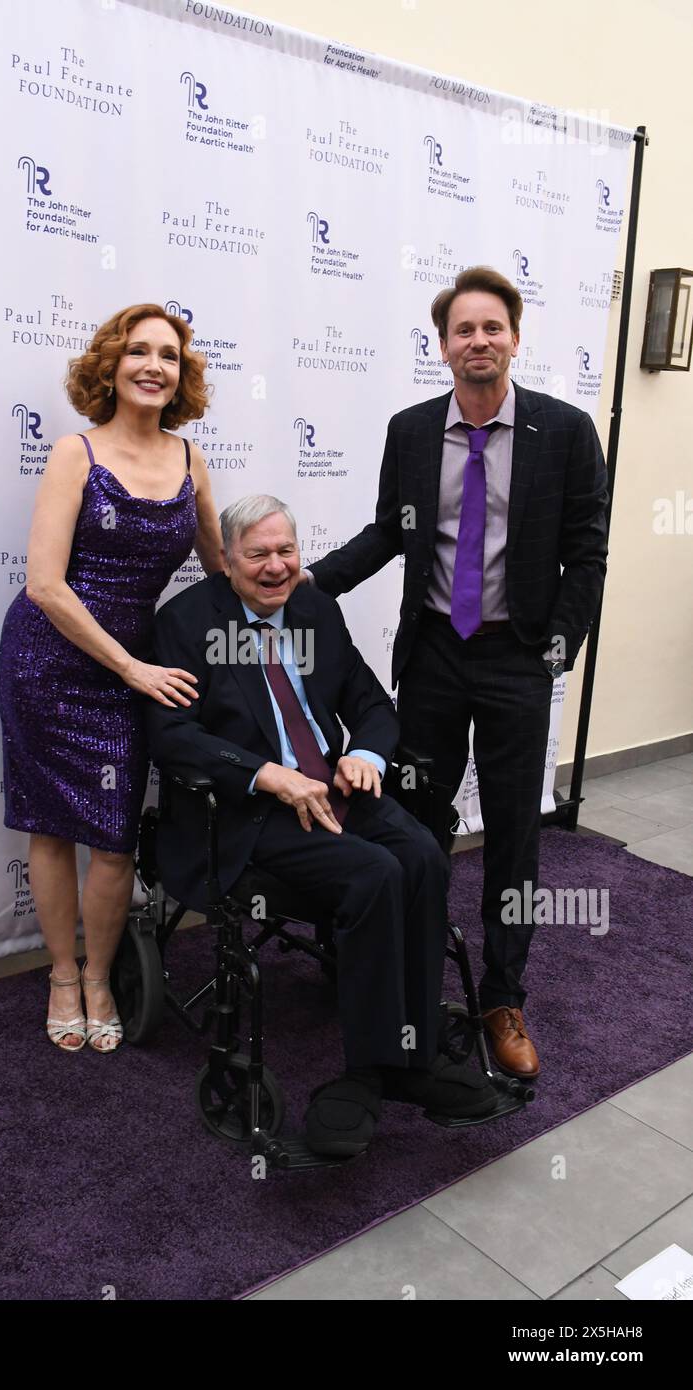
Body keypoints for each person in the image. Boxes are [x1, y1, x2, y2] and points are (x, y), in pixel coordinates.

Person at [307, 266, 609, 1080]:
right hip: (434, 654)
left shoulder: (567, 431)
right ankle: (411, 976)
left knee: (514, 831)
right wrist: (310, 583)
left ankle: (502, 997)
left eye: (492, 328)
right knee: (416, 818)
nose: (479, 342)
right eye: (463, 331)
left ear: (514, 338)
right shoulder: (411, 432)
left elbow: (588, 554)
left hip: (517, 658)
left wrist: (557, 651)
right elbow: (387, 534)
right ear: (442, 346)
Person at [147, 495, 497, 1157]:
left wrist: (364, 755)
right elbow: (170, 735)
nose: (278, 567)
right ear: (226, 560)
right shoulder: (187, 625)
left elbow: (368, 701)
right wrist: (265, 774)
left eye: (287, 551)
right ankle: (369, 1073)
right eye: (259, 555)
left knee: (422, 854)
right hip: (255, 810)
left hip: (335, 786)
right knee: (375, 874)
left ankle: (413, 1052)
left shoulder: (313, 608)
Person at [0, 303, 222, 1053]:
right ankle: (64, 975)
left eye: (170, 355)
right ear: (112, 366)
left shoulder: (191, 461)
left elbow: (223, 568)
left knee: (116, 839)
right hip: (50, 660)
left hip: (136, 668)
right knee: (54, 828)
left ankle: (102, 974)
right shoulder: (75, 453)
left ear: (182, 375)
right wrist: (131, 668)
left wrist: (293, 592)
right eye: (139, 352)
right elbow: (45, 586)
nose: (155, 365)